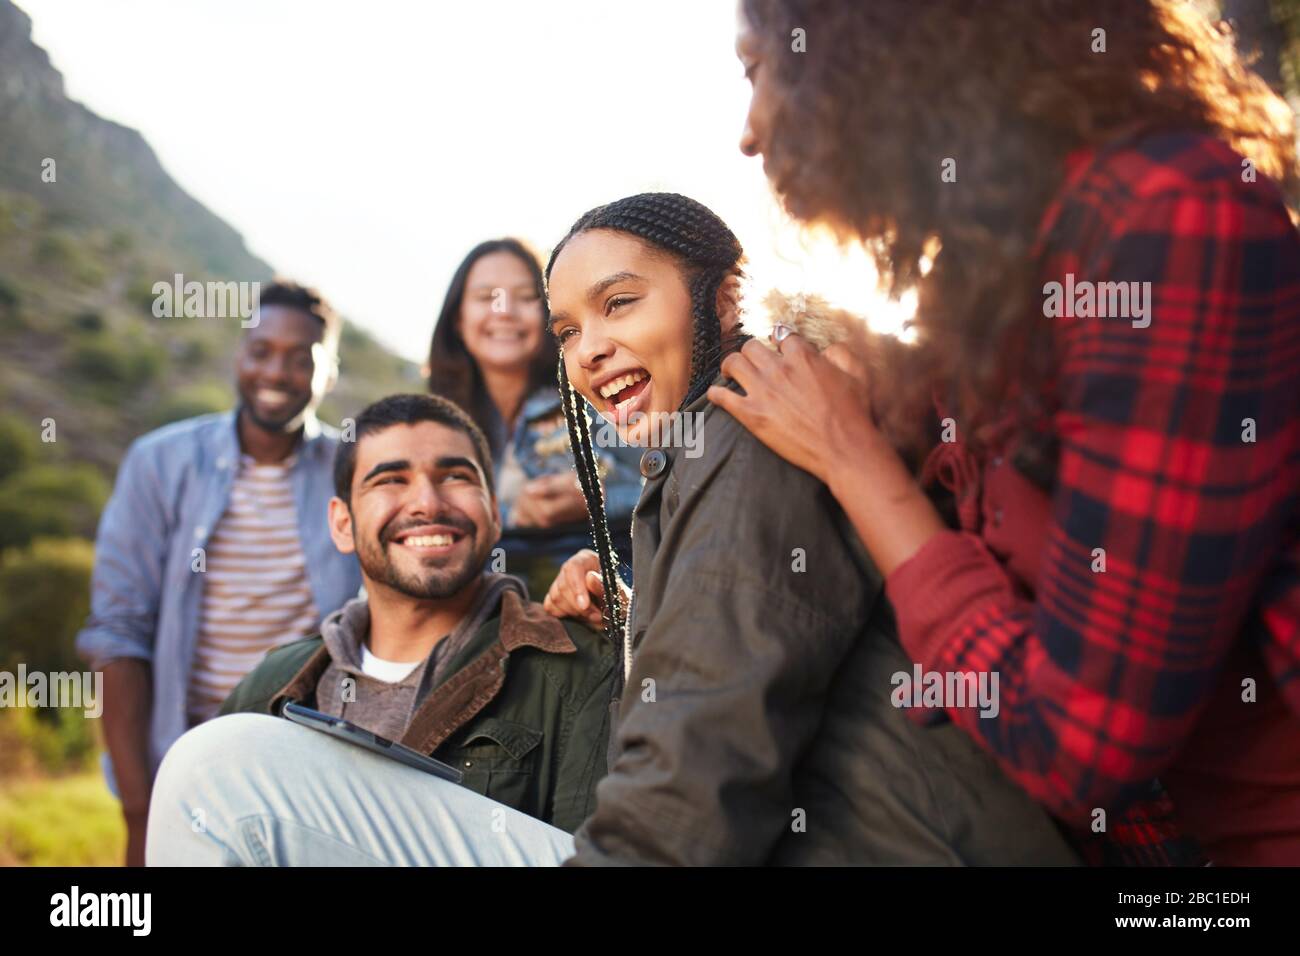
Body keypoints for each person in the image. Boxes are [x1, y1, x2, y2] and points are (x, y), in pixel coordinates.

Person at [714, 0, 1300, 864]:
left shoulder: (1166, 220)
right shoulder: (994, 274)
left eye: (759, 69)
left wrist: (855, 461)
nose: (749, 134)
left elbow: (1079, 745)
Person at [146, 395, 615, 864]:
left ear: (494, 514)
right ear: (343, 524)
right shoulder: (272, 688)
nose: (427, 503)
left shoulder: (579, 666)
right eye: (391, 480)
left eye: (455, 477)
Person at [75, 280, 364, 866]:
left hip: (306, 772)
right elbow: (118, 633)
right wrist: (139, 811)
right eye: (261, 351)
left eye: (299, 358)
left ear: (328, 372)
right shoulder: (159, 463)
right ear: (239, 356)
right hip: (182, 766)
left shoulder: (353, 472)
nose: (276, 373)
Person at [426, 239, 643, 598]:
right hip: (482, 611)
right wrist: (512, 513)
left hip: (601, 605)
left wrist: (599, 497)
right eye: (485, 297)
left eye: (526, 297)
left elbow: (671, 490)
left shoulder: (598, 396)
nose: (504, 311)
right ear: (457, 319)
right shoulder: (432, 425)